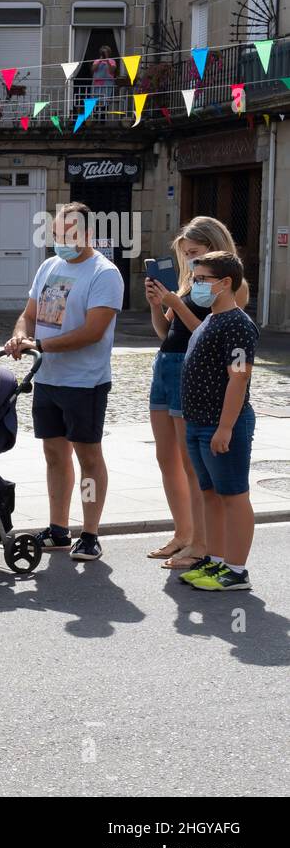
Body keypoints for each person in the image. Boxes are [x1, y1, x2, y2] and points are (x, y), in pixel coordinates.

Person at [5, 202, 124, 560]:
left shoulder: (105, 274)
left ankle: (90, 533)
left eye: (69, 234)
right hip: (48, 377)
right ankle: (58, 529)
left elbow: (92, 332)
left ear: (88, 234)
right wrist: (18, 337)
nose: (61, 240)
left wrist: (38, 344)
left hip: (85, 381)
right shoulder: (49, 266)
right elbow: (28, 315)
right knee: (54, 454)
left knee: (88, 456)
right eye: (56, 234)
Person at [143, 217, 249, 570]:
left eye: (195, 253)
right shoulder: (190, 283)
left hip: (194, 374)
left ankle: (201, 545)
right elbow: (167, 331)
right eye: (185, 254)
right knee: (165, 458)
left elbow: (203, 332)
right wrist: (159, 304)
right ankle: (183, 533)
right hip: (167, 364)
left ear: (214, 247)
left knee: (192, 465)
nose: (189, 261)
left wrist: (177, 300)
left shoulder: (231, 289)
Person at [175, 251, 258, 592]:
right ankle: (217, 559)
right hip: (197, 422)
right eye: (195, 279)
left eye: (202, 279)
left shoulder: (238, 325)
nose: (195, 285)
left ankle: (237, 570)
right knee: (209, 492)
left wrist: (225, 427)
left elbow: (238, 379)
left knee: (233, 495)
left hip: (222, 425)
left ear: (225, 283)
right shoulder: (210, 320)